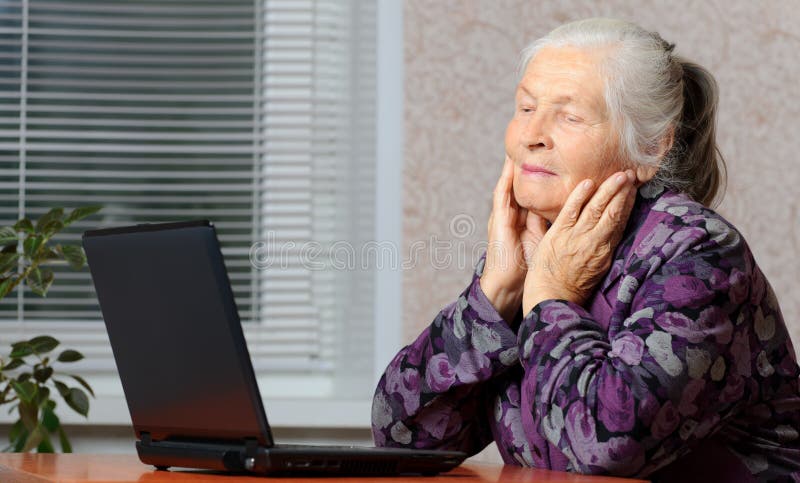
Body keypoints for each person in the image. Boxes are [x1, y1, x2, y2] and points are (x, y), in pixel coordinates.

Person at [371, 18, 800, 482]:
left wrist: (551, 298)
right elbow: (404, 439)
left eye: (570, 116)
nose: (532, 134)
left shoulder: (698, 253)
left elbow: (603, 451)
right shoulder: (536, 249)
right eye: (526, 107)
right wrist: (495, 293)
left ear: (651, 148)